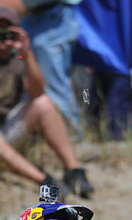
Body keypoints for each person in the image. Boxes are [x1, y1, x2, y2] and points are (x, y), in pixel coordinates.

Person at [0, 6, 94, 198]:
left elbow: (37, 91)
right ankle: (44, 181)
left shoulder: (19, 57)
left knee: (43, 103)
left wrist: (26, 53)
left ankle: (73, 170)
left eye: (8, 32)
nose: (3, 38)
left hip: (4, 130)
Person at [22, 0, 81, 130]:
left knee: (54, 86)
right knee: (30, 79)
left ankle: (71, 135)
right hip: (33, 17)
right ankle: (45, 135)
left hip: (52, 17)